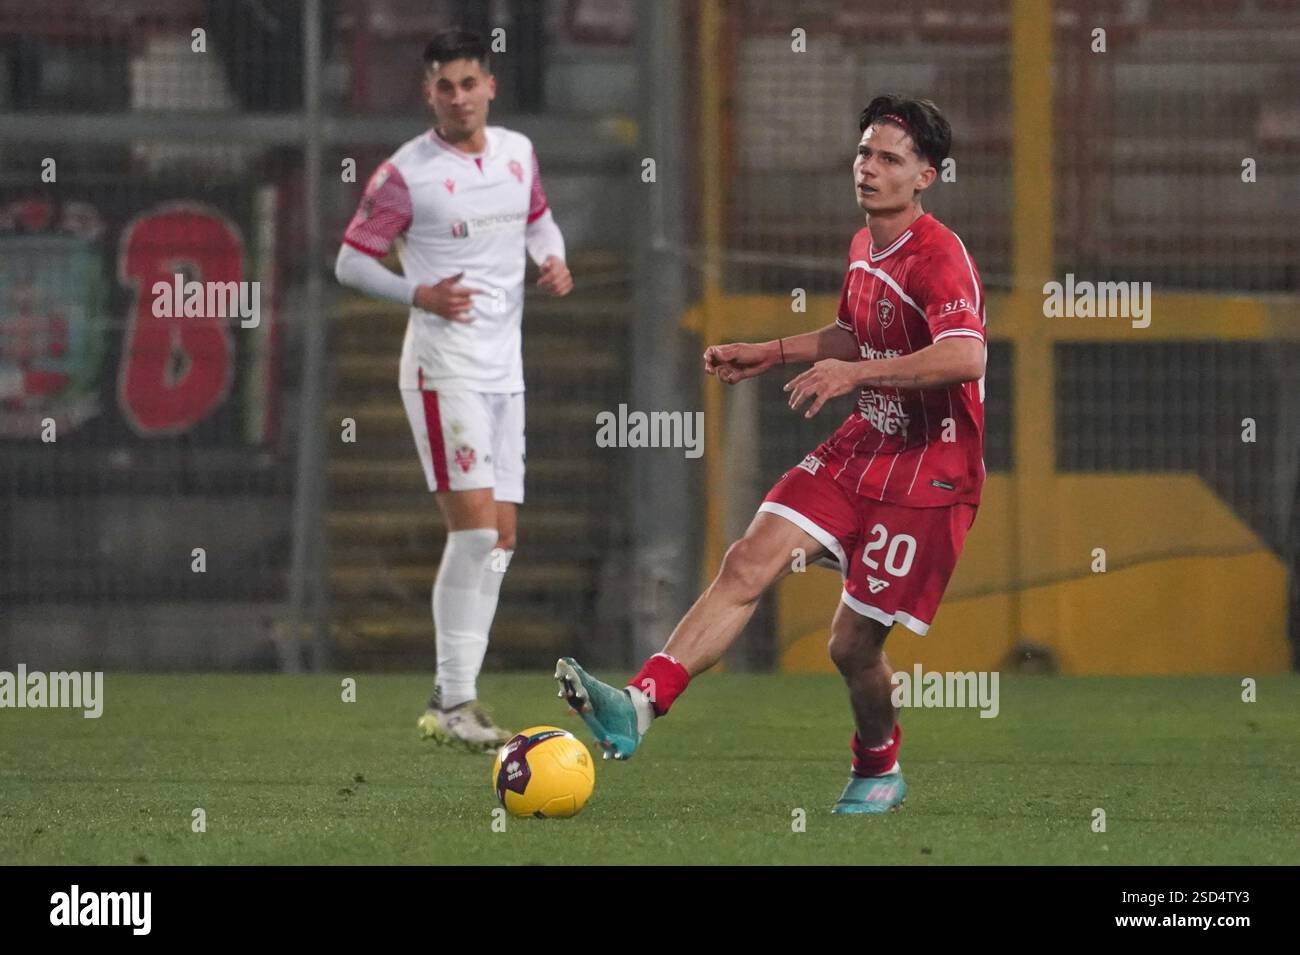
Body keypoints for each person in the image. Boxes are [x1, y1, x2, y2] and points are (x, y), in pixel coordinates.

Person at [555, 95, 985, 812]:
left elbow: (964, 356)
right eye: (865, 153)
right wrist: (772, 352)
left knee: (850, 648)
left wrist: (855, 376)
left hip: (927, 473)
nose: (869, 168)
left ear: (926, 177)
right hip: (864, 447)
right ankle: (640, 702)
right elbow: (856, 331)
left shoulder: (940, 257)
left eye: (890, 159)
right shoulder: (863, 243)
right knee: (748, 561)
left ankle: (879, 765)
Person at [336, 29, 573, 751]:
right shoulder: (407, 174)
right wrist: (420, 295)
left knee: (501, 539)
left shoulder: (517, 153)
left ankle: (456, 700)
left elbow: (537, 219)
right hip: (445, 369)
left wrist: (552, 258)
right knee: (473, 530)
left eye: (470, 83)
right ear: (428, 92)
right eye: (445, 86)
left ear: (490, 87)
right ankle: (451, 697)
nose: (459, 97)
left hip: (507, 370)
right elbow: (350, 260)